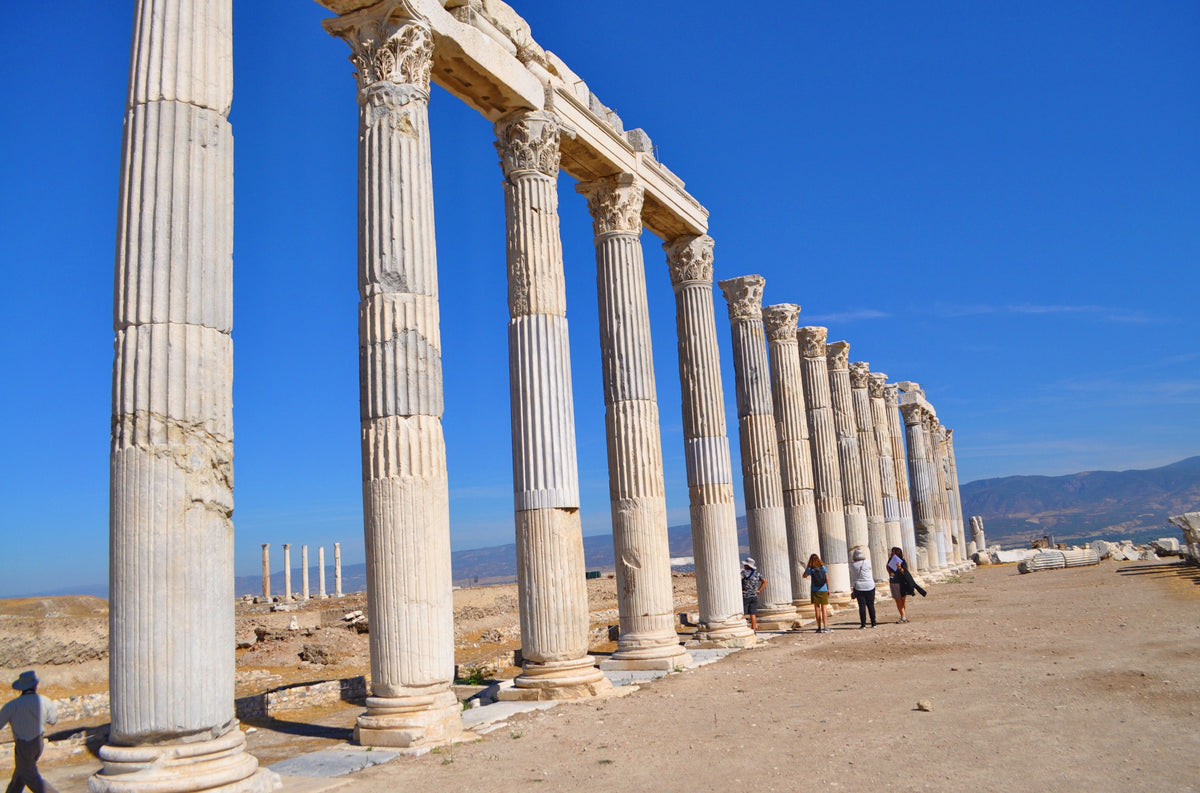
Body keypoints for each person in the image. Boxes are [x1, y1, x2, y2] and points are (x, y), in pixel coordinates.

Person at [1, 671, 58, 793]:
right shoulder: (46, 701)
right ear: (36, 684)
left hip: (23, 745)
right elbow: (53, 721)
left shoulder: (11, 705)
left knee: (30, 777)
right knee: (21, 774)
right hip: (38, 743)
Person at [887, 547, 925, 622]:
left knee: (903, 600)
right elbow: (888, 568)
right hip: (894, 582)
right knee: (898, 600)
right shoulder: (890, 561)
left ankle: (903, 616)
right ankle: (903, 616)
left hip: (901, 582)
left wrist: (899, 567)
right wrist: (891, 574)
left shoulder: (902, 562)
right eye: (891, 553)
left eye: (893, 553)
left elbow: (905, 572)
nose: (892, 554)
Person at [802, 553, 831, 633]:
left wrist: (807, 568)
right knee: (824, 609)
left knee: (817, 609)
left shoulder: (810, 569)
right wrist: (828, 589)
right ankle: (826, 627)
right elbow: (827, 579)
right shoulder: (823, 567)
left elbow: (804, 576)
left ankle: (819, 628)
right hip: (823, 589)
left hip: (814, 590)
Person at [849, 547, 877, 628]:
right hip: (869, 585)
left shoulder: (852, 565)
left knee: (862, 606)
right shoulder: (867, 562)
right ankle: (873, 623)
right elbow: (869, 568)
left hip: (859, 587)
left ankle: (863, 624)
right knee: (870, 605)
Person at [741, 558, 766, 631]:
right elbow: (765, 581)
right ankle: (754, 629)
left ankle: (743, 629)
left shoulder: (743, 573)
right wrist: (759, 590)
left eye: (745, 564)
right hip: (754, 595)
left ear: (747, 565)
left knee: (743, 613)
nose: (744, 566)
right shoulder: (757, 573)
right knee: (753, 614)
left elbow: (738, 579)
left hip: (745, 595)